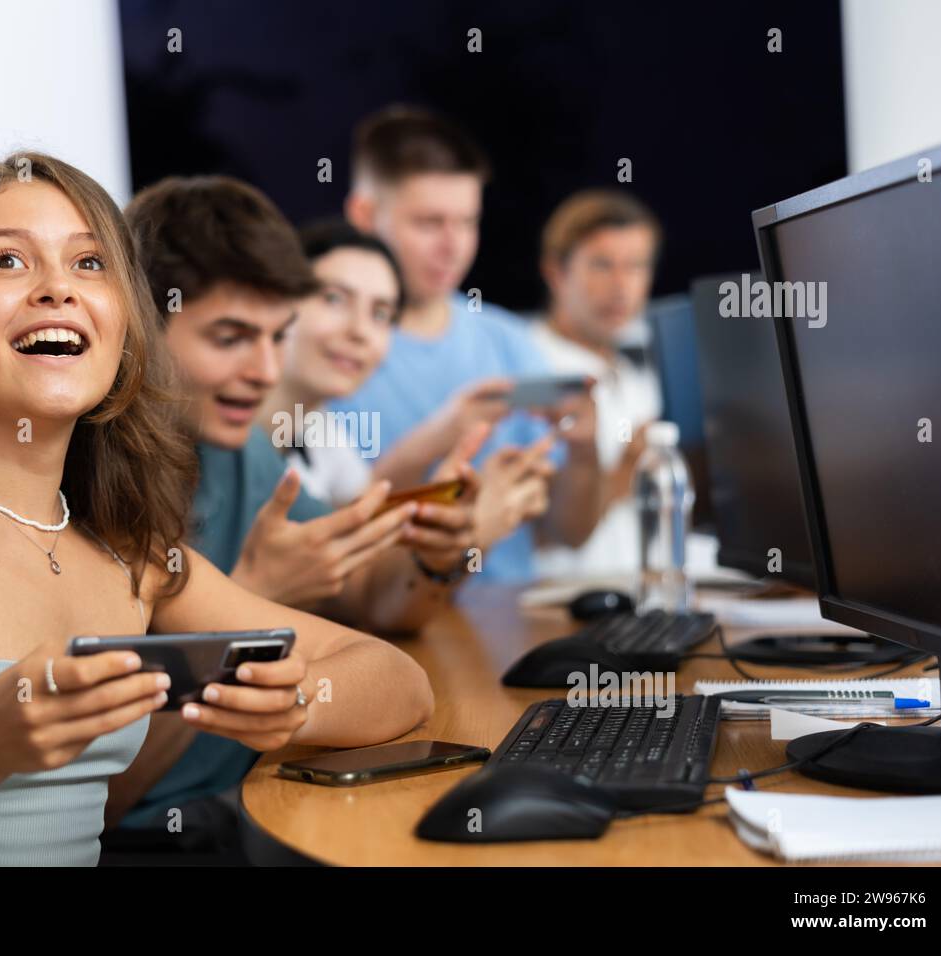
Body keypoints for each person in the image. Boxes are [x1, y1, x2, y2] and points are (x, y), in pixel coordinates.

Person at [0, 153, 433, 866]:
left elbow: (401, 684)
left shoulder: (123, 550)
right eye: (7, 260)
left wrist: (298, 701)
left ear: (125, 325)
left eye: (90, 264)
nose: (57, 288)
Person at [106, 177, 474, 850]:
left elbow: (386, 641)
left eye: (279, 336)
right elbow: (93, 807)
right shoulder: (82, 496)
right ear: (138, 327)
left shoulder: (244, 453)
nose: (266, 369)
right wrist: (254, 604)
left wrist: (436, 554)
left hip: (253, 808)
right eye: (231, 338)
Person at [332, 105, 602, 584]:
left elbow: (570, 533)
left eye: (467, 222)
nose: (453, 246)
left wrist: (584, 452)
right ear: (364, 215)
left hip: (510, 613)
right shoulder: (330, 351)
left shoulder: (508, 341)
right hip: (383, 614)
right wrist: (442, 435)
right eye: (429, 223)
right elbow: (333, 531)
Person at [260, 218, 557, 557]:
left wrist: (471, 504)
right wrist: (474, 526)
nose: (359, 331)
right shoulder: (230, 436)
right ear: (278, 300)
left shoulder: (320, 429)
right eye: (334, 299)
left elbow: (357, 523)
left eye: (380, 314)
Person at [530, 189, 664, 577]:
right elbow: (541, 528)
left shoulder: (638, 372)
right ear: (556, 273)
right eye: (602, 265)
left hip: (640, 588)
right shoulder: (533, 370)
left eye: (636, 266)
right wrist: (626, 473)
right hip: (563, 592)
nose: (621, 286)